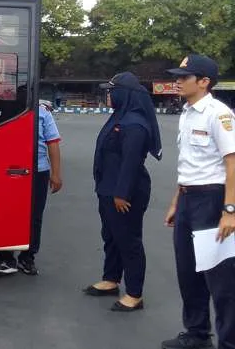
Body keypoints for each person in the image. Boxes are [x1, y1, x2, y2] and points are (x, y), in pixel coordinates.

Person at [161, 55, 235, 349]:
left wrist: (230, 210)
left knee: (221, 280)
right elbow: (189, 163)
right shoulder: (187, 113)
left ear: (204, 82)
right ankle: (197, 333)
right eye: (177, 77)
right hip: (189, 199)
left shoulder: (219, 114)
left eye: (184, 77)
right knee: (188, 271)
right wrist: (176, 201)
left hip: (213, 199)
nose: (177, 81)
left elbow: (232, 163)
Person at [83, 72, 161, 312]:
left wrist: (121, 194)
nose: (108, 95)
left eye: (111, 91)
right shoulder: (120, 117)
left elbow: (131, 163)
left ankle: (135, 294)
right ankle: (111, 279)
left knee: (128, 241)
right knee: (111, 236)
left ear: (124, 94)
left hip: (124, 192)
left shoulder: (135, 124)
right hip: (108, 188)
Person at [0, 99, 63, 277]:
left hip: (38, 171)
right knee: (6, 214)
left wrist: (56, 174)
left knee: (34, 217)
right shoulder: (4, 109)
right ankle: (6, 259)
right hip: (8, 170)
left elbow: (53, 143)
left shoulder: (43, 112)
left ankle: (27, 257)